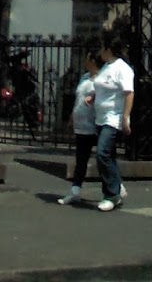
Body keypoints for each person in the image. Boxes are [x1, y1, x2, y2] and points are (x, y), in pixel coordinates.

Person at [91, 29, 134, 212]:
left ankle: (111, 195)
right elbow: (102, 87)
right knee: (109, 156)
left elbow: (129, 93)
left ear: (109, 49)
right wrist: (92, 98)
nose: (99, 51)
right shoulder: (107, 67)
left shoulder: (122, 69)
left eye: (102, 47)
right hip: (100, 118)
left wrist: (125, 117)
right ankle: (117, 185)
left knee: (102, 153)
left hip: (113, 118)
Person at [58, 50, 102, 205]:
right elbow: (79, 99)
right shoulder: (84, 78)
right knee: (81, 159)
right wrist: (72, 117)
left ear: (94, 61)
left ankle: (115, 187)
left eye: (88, 58)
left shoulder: (102, 80)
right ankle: (75, 190)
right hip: (81, 124)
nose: (85, 61)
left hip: (95, 124)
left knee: (103, 157)